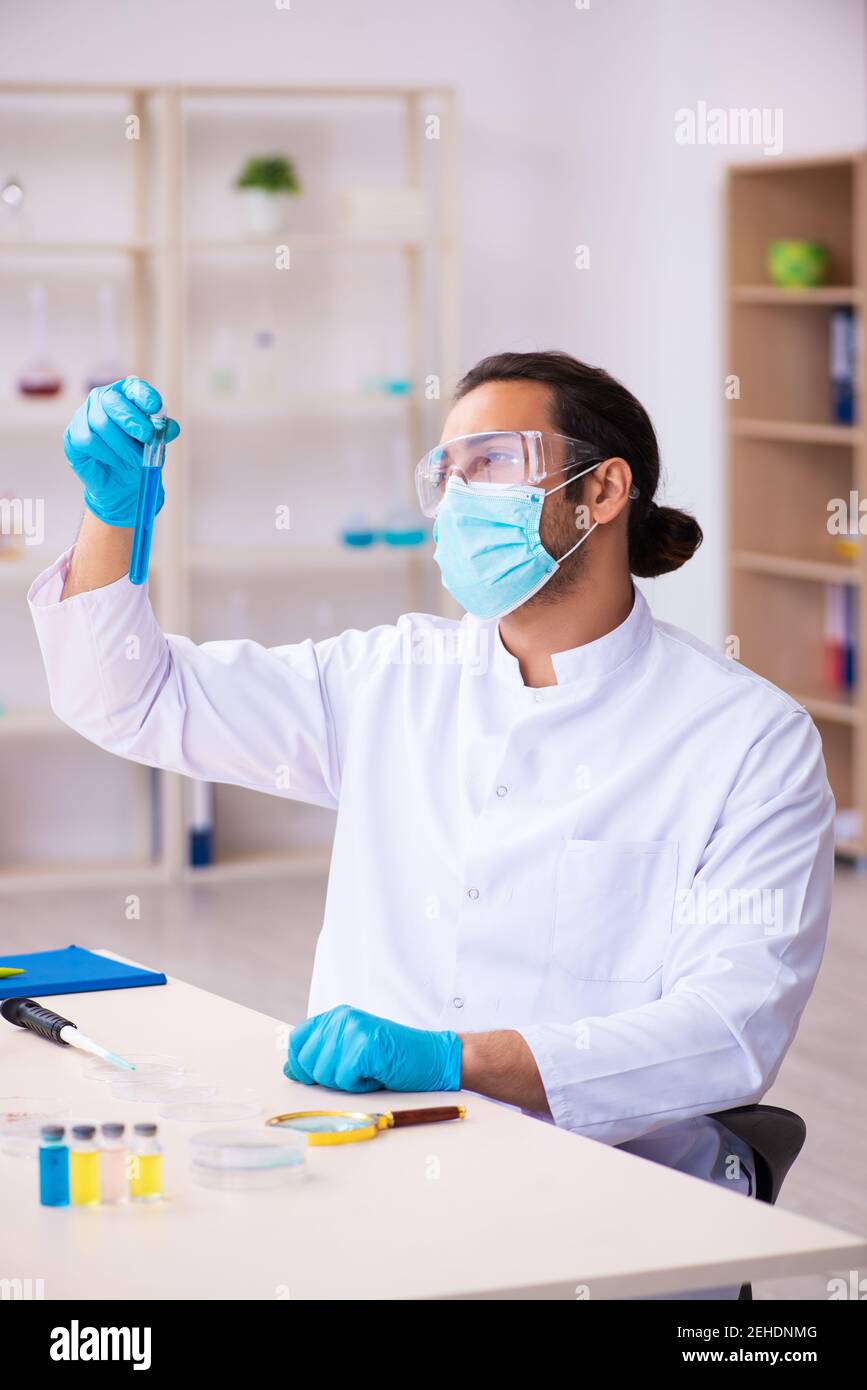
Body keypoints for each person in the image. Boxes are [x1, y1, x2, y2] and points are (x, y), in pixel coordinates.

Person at [29, 352, 833, 1285]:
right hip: (369, 1176)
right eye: (444, 473)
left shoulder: (746, 738)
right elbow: (128, 700)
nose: (457, 497)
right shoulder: (385, 679)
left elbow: (727, 1031)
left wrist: (457, 1060)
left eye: (489, 463)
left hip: (611, 1212)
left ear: (601, 489)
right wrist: (111, 518)